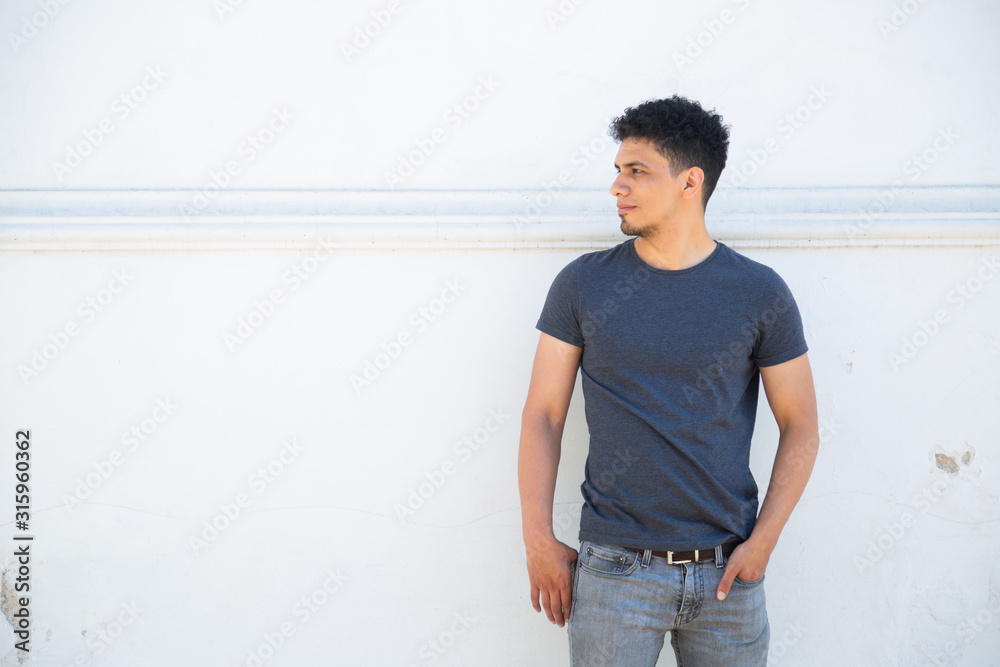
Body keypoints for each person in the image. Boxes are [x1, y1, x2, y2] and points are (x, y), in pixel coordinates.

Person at [517, 95, 819, 666]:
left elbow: (801, 426)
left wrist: (763, 543)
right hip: (614, 572)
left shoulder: (760, 292)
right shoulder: (584, 284)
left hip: (729, 575)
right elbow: (543, 414)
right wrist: (536, 537)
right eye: (617, 171)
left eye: (637, 171)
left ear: (690, 182)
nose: (617, 187)